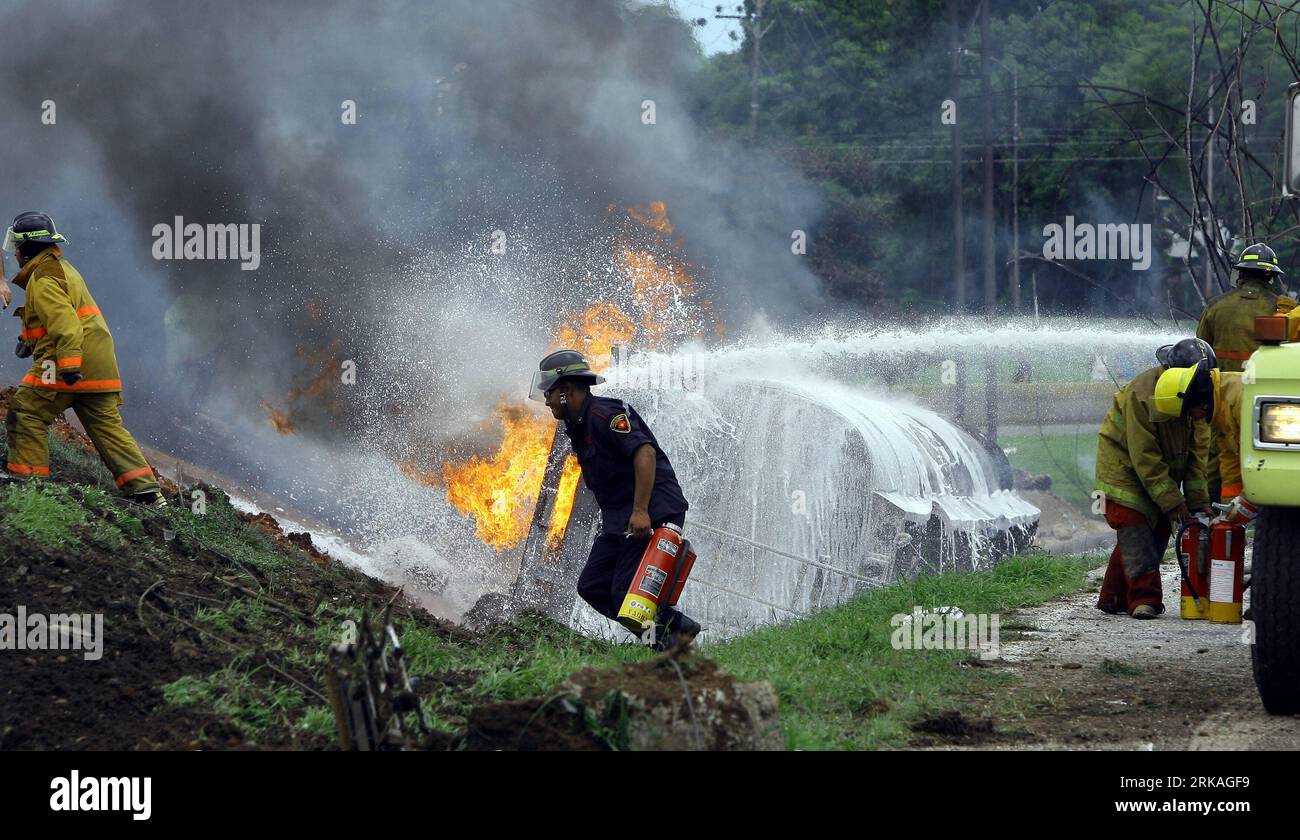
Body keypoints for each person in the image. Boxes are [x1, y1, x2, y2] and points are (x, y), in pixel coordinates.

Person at [530, 349, 699, 649]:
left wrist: (641, 511)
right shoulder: (578, 428)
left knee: (625, 595)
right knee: (592, 586)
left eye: (550, 393)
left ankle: (668, 647)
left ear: (567, 390)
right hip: (620, 518)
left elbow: (644, 452)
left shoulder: (606, 416)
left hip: (652, 510)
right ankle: (675, 627)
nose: (546, 400)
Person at [3, 211, 164, 504]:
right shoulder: (61, 269)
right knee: (108, 429)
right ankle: (147, 491)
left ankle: (28, 481)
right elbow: (55, 317)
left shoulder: (43, 278)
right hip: (99, 365)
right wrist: (27, 340)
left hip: (66, 364)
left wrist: (68, 366)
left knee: (26, 411)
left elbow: (66, 325)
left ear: (25, 248)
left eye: (16, 247)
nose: (13, 253)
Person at [1094, 360, 1212, 618]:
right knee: (1135, 528)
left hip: (1156, 474)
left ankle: (1113, 598)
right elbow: (1144, 455)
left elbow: (1196, 459)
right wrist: (1171, 501)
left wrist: (1198, 501)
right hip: (1122, 472)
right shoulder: (1142, 394)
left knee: (1157, 530)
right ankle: (1144, 601)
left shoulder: (1197, 404)